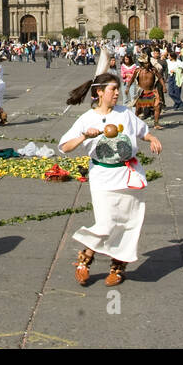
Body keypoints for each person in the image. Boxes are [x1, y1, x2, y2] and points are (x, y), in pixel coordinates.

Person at [60, 72, 162, 286]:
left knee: (128, 223)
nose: (117, 93)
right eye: (112, 89)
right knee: (106, 223)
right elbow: (64, 147)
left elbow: (143, 131)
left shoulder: (125, 113)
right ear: (99, 92)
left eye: (118, 89)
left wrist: (152, 138)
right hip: (102, 176)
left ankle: (118, 267)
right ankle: (85, 258)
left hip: (128, 175)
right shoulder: (87, 118)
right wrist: (85, 136)